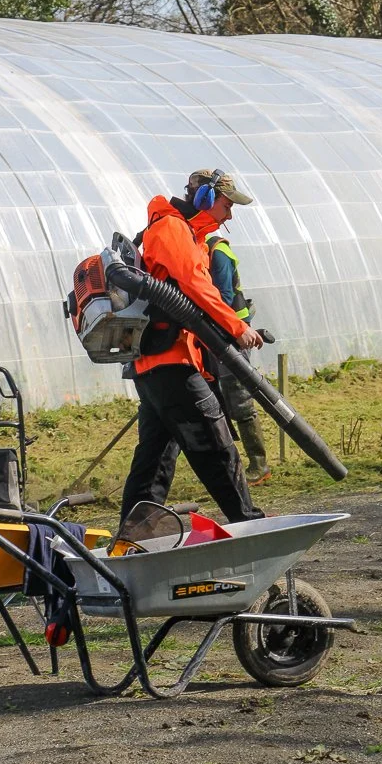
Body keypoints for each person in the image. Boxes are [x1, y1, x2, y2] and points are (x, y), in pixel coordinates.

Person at [118, 169, 265, 531]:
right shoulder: (171, 228)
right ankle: (249, 526)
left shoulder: (187, 234)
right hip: (170, 363)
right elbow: (195, 285)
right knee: (216, 445)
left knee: (155, 460)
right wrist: (237, 327)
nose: (229, 215)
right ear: (204, 199)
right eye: (227, 205)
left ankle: (134, 538)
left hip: (159, 363)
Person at [207, 233, 271, 484]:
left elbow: (222, 298)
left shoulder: (218, 253)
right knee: (219, 401)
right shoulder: (207, 252)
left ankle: (259, 465)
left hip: (230, 336)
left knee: (240, 401)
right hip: (217, 335)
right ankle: (232, 466)